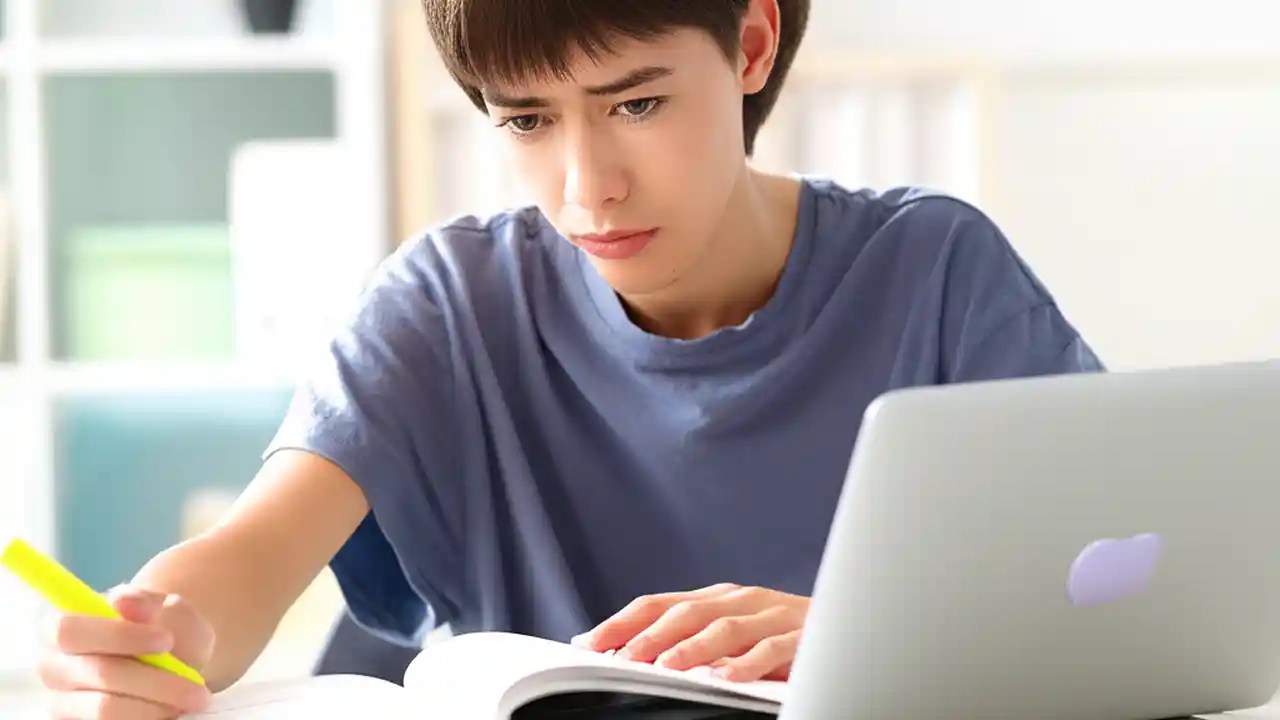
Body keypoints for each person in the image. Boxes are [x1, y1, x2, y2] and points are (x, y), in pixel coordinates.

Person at [35, 0, 1104, 717]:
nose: (586, 186)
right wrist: (158, 632)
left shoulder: (933, 270)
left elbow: (1109, 580)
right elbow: (243, 563)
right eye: (528, 120)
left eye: (634, 104)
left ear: (751, 43)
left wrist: (865, 636)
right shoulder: (447, 304)